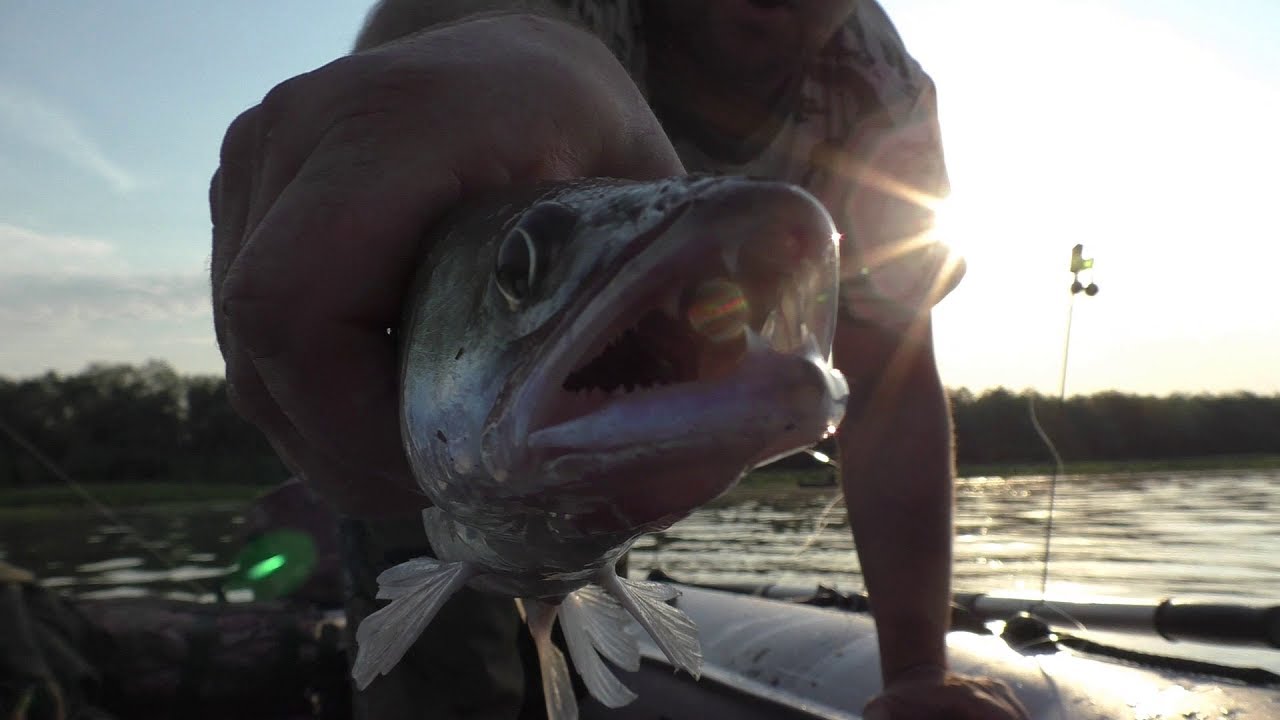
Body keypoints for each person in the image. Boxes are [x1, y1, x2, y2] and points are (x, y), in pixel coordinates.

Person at [209, 1, 1029, 718]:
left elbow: (891, 382)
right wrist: (488, 41)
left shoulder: (881, 90)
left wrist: (918, 670)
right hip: (416, 438)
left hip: (618, 430)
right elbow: (446, 19)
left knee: (591, 667)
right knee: (440, 672)